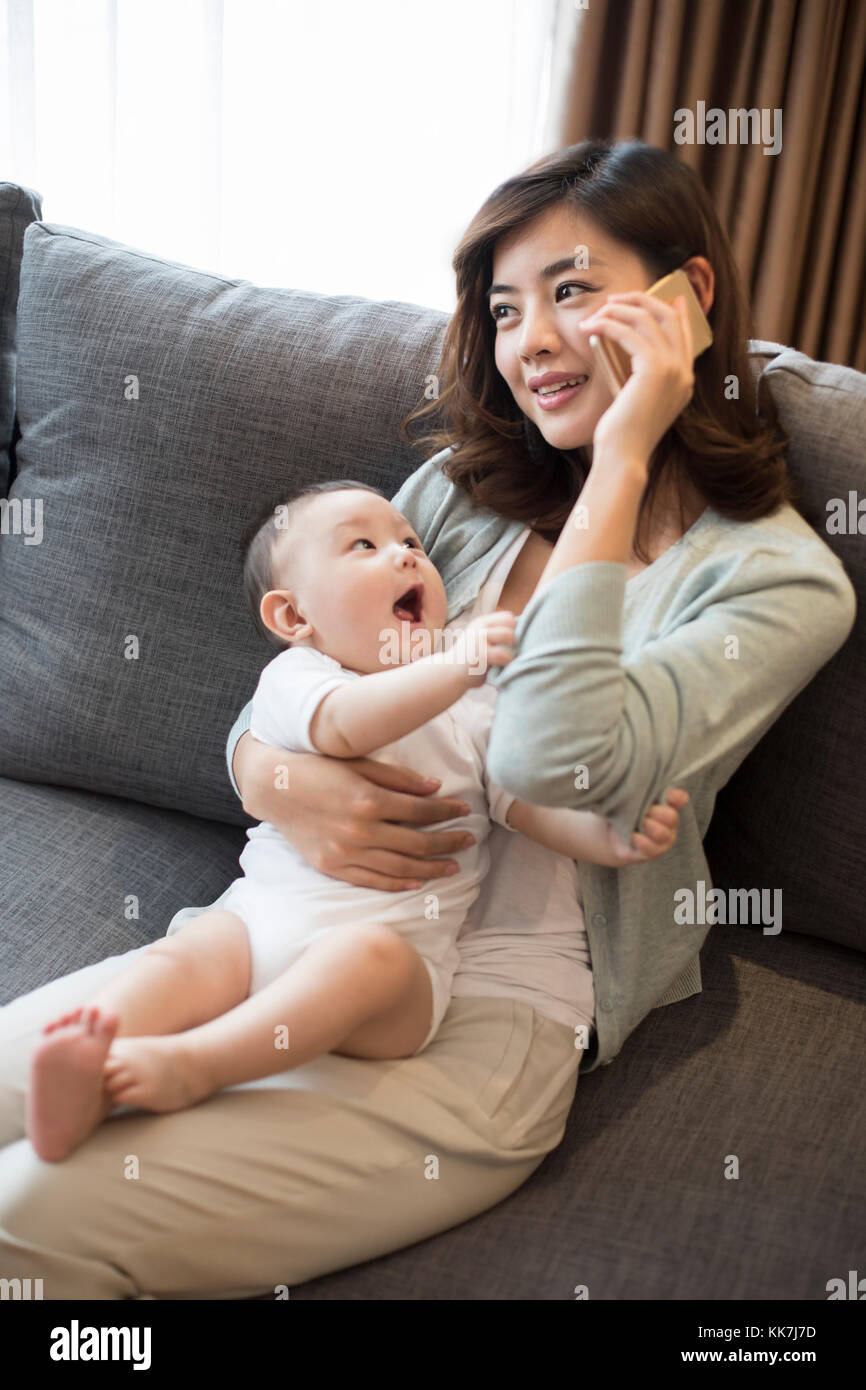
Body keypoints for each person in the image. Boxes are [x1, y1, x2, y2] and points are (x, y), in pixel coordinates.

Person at [0, 138, 855, 1299]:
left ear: (684, 298)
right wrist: (280, 783)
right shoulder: (459, 493)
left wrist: (619, 462)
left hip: (487, 1021)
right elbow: (291, 695)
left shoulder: (776, 582)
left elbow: (546, 759)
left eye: (570, 291)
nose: (531, 342)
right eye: (505, 309)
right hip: (286, 928)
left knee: (28, 1230)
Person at [23, 482, 683, 1164]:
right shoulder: (299, 677)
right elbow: (342, 727)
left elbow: (524, 804)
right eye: (364, 546)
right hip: (256, 926)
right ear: (292, 615)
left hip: (395, 981)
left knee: (362, 958)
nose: (404, 556)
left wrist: (607, 836)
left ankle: (195, 1064)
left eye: (412, 543)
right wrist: (457, 665)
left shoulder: (477, 702)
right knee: (186, 954)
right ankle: (95, 1050)